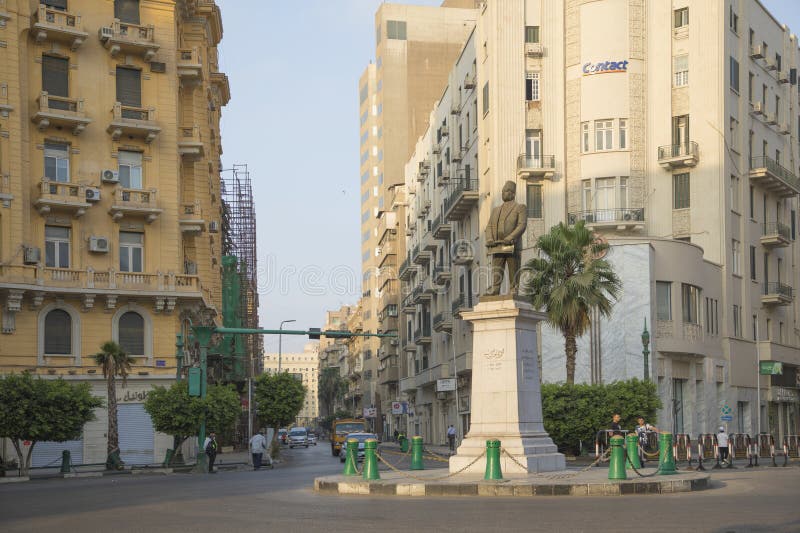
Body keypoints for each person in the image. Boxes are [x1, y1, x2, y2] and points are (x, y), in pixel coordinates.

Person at [485, 180, 528, 295]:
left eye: (507, 191)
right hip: (497, 245)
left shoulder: (520, 207)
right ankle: (495, 289)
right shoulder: (496, 210)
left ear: (513, 194)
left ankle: (513, 288)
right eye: (503, 191)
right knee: (496, 268)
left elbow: (522, 225)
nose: (503, 193)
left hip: (512, 245)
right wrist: (489, 239)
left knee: (513, 268)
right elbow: (489, 226)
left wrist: (511, 237)